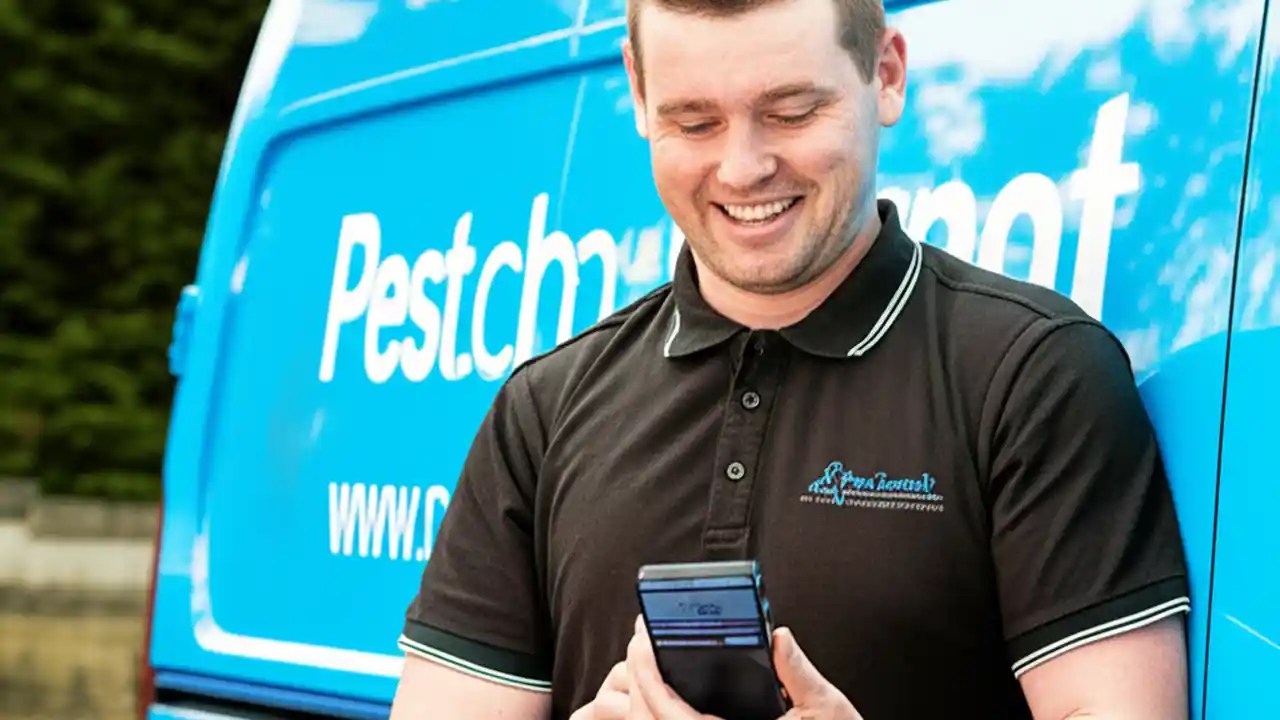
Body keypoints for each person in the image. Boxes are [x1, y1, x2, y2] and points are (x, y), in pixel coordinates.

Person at [388, 0, 1192, 717]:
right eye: (695, 123)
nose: (743, 169)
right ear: (637, 93)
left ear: (885, 74)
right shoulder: (543, 410)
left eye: (791, 111)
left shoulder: (1033, 375)